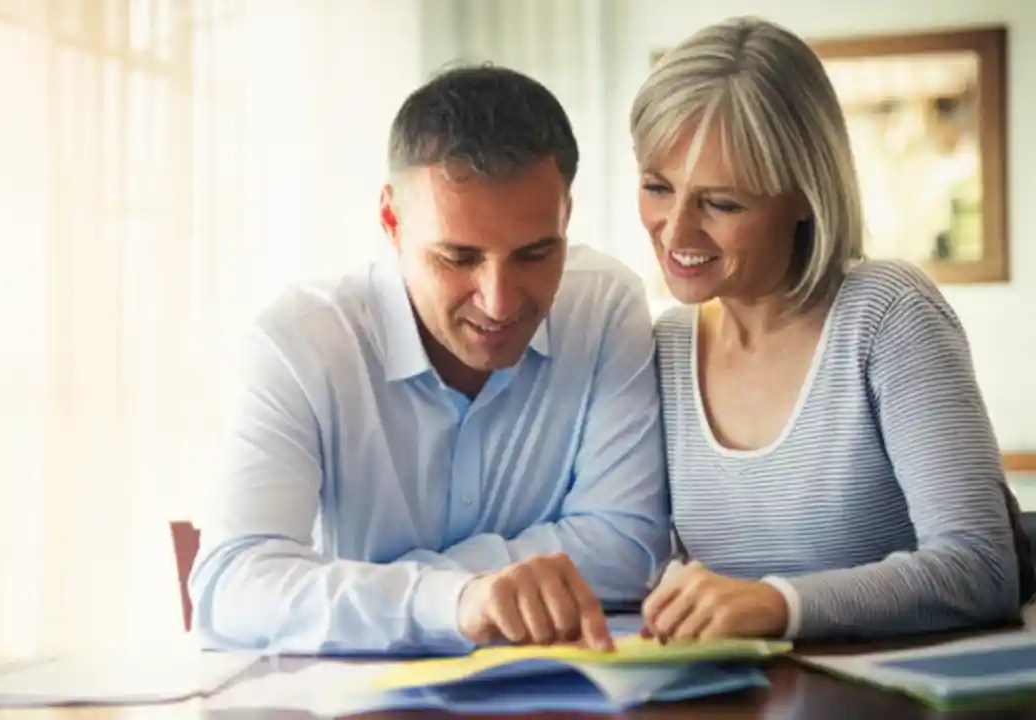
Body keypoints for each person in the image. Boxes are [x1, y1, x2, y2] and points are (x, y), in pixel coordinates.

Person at [189, 65, 670, 653]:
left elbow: (629, 549)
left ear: (566, 215)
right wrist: (456, 600)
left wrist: (386, 587)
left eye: (535, 253)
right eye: (457, 257)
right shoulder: (298, 343)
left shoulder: (604, 307)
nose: (498, 301)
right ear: (391, 220)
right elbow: (231, 588)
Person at [630, 17, 1033, 642]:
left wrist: (779, 604)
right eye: (658, 187)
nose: (675, 232)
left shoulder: (887, 316)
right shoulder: (660, 346)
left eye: (722, 203)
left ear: (803, 195)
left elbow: (982, 566)